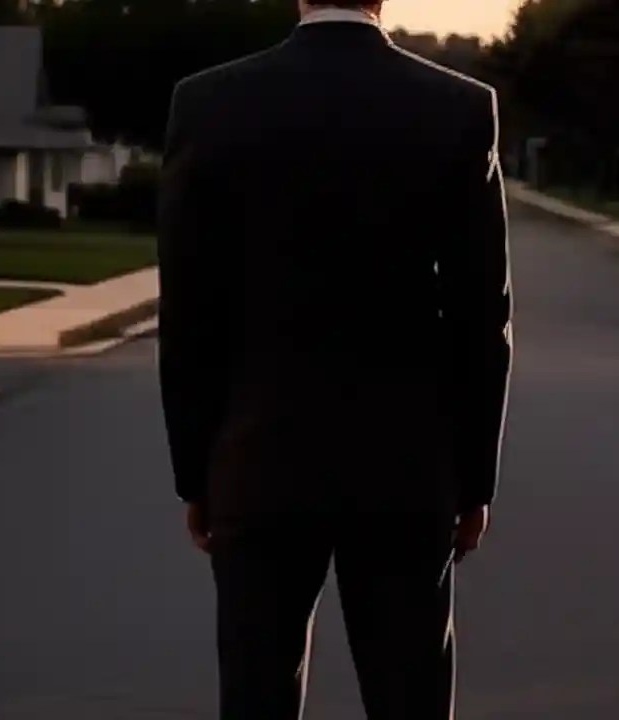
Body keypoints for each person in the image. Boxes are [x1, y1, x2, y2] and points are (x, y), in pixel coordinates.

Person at [157, 1, 512, 717]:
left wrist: (196, 473)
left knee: (256, 698)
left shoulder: (208, 104)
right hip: (407, 473)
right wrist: (474, 481)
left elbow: (189, 310)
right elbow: (483, 318)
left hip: (257, 466)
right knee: (408, 698)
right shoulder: (458, 108)